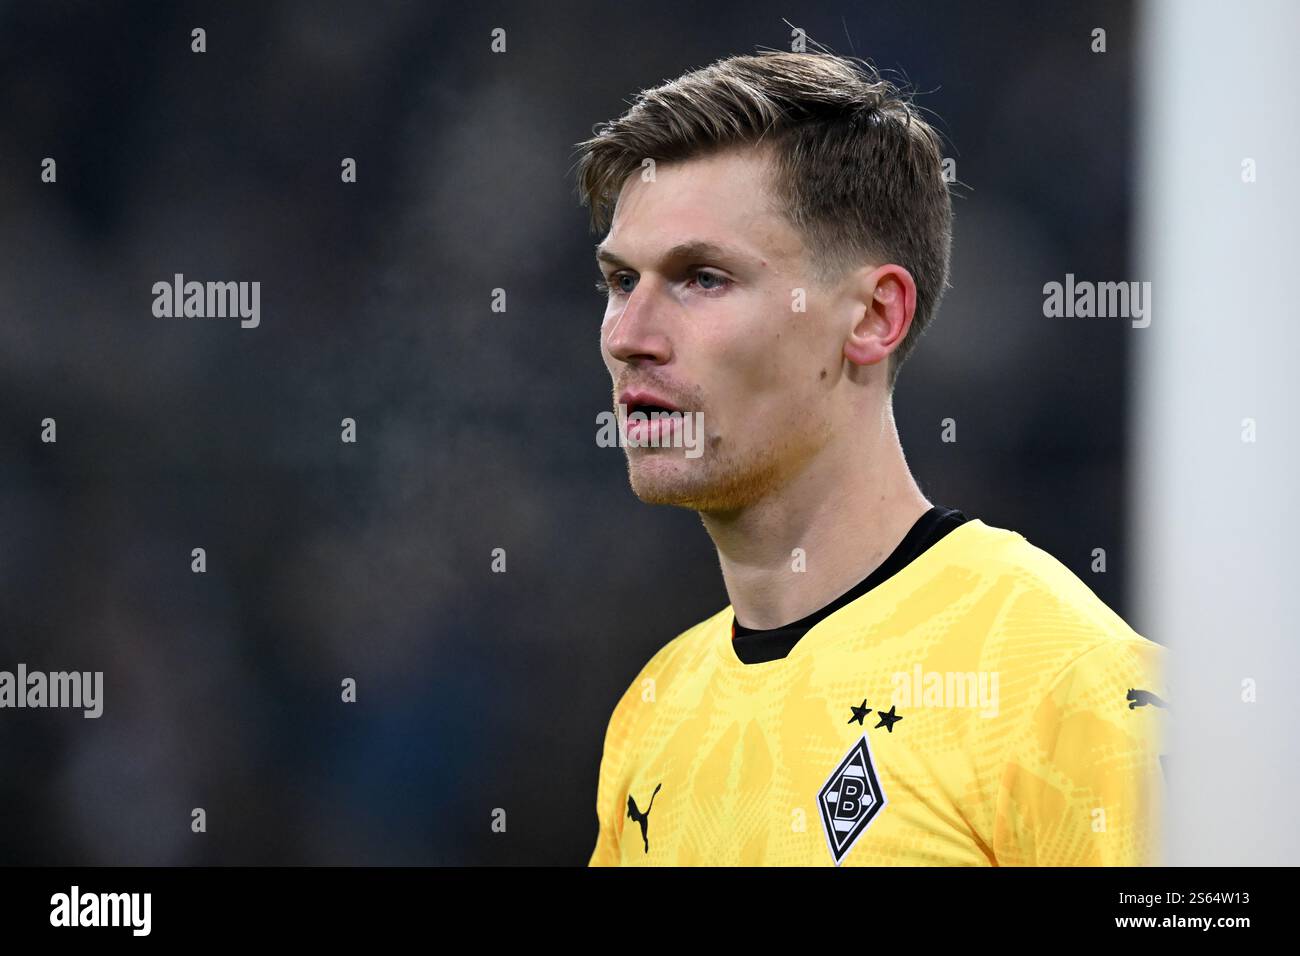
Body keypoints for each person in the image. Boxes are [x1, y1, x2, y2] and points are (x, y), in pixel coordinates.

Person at [575, 51, 1166, 866]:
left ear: (874, 317)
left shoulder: (1065, 686)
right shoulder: (655, 712)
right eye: (618, 281)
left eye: (701, 279)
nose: (626, 337)